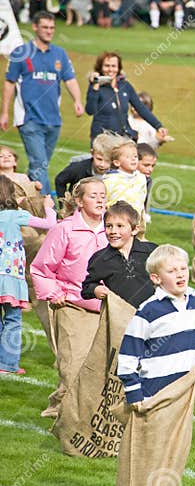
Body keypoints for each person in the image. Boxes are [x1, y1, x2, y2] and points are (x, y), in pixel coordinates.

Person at [112, 244, 195, 486]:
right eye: (171, 270)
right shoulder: (148, 312)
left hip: (182, 395)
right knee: (145, 460)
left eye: (182, 268)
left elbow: (194, 339)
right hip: (153, 396)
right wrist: (135, 393)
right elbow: (128, 356)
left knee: (171, 460)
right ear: (155, 278)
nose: (179, 274)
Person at [31, 177, 108, 418]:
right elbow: (41, 268)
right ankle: (69, 413)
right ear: (79, 201)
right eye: (93, 195)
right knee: (73, 363)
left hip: (106, 308)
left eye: (103, 195)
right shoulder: (64, 229)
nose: (99, 200)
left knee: (99, 366)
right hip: (71, 304)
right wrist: (54, 294)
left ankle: (69, 406)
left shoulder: (113, 228)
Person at [1, 12, 84, 196]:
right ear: (35, 27)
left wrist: (78, 101)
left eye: (52, 28)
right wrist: (5, 112)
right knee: (39, 164)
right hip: (29, 119)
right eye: (45, 27)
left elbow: (70, 79)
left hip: (54, 120)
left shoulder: (59, 54)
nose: (49, 31)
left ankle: (27, 202)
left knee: (39, 166)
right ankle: (49, 211)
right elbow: (9, 82)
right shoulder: (21, 53)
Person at [0, 176, 57, 375]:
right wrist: (48, 205)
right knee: (13, 319)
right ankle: (7, 365)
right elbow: (49, 224)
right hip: (11, 278)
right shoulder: (15, 216)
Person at [81, 201, 157, 309]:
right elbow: (86, 287)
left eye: (120, 226)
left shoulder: (151, 251)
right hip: (121, 317)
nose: (113, 231)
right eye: (109, 226)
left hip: (154, 314)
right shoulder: (100, 258)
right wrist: (95, 289)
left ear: (135, 229)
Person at [85, 51, 167, 142]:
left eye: (114, 66)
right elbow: (90, 110)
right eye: (107, 66)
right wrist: (96, 86)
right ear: (100, 68)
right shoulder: (95, 87)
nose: (110, 69)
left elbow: (140, 107)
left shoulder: (125, 86)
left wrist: (158, 126)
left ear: (118, 68)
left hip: (123, 137)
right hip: (102, 139)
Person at [54, 132, 115, 206]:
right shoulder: (79, 168)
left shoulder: (116, 173)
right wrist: (64, 205)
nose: (102, 164)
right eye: (99, 159)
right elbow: (60, 180)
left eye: (107, 161)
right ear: (92, 153)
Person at [102, 137, 147, 217]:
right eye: (128, 157)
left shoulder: (141, 179)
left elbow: (141, 203)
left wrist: (142, 222)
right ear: (117, 162)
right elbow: (103, 201)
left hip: (134, 223)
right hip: (114, 222)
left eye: (135, 156)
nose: (133, 159)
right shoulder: (110, 180)